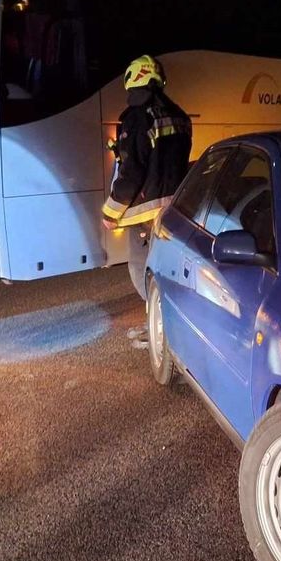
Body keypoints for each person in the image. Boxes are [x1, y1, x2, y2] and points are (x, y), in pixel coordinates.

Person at [101, 55, 192, 347]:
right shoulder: (178, 114)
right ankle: (165, 326)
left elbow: (131, 172)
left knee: (143, 273)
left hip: (144, 214)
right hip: (175, 210)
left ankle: (160, 332)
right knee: (167, 270)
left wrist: (111, 211)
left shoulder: (136, 117)